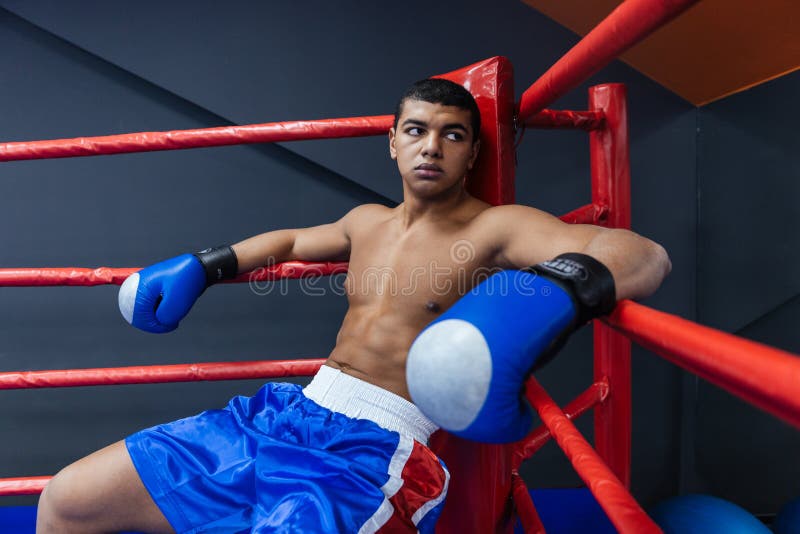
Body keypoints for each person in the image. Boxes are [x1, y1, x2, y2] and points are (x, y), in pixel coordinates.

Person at [36, 79, 671, 533]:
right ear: (392, 143)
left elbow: (641, 255)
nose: (432, 147)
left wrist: (556, 288)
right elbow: (287, 241)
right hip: (287, 414)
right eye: (417, 131)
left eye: (453, 136)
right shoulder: (366, 221)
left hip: (373, 452)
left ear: (471, 154)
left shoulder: (497, 229)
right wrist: (208, 264)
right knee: (67, 502)